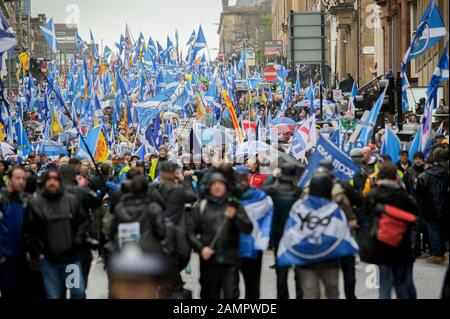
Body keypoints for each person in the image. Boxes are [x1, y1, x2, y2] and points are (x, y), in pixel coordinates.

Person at [24, 169, 88, 299]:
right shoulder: (36, 204)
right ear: (44, 182)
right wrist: (38, 253)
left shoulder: (71, 201)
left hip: (70, 260)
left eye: (55, 179)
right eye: (49, 179)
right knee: (54, 295)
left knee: (78, 291)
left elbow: (82, 223)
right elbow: (29, 232)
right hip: (49, 261)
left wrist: (76, 243)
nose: (52, 182)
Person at [187, 173, 253, 299]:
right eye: (214, 184)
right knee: (208, 294)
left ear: (226, 187)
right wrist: (201, 248)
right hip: (208, 261)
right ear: (209, 187)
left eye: (221, 184)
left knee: (230, 294)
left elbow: (248, 228)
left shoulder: (234, 206)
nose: (217, 187)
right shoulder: (202, 206)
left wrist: (235, 217)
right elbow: (190, 232)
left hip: (230, 260)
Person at [361, 163, 418, 299]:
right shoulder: (403, 196)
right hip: (401, 245)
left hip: (381, 245)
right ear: (395, 177)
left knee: (385, 285)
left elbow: (366, 218)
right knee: (401, 285)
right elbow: (415, 216)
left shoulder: (373, 194)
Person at [235, 166, 273, 300]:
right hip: (254, 245)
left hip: (232, 245)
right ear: (248, 178)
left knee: (231, 286)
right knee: (252, 284)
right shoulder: (262, 197)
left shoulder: (226, 196)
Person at [265, 164, 303, 299]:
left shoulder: (272, 191)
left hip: (278, 233)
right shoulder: (298, 191)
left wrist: (272, 176)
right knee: (299, 270)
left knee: (281, 270)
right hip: (296, 234)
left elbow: (262, 189)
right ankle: (300, 295)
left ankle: (282, 296)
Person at [415, 148, 449, 264]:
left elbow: (418, 188)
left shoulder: (427, 174)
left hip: (431, 206)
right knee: (442, 229)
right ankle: (441, 253)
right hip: (445, 206)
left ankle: (437, 254)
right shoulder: (446, 173)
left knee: (433, 229)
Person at [0, 166, 29, 299]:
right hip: (5, 258)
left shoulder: (25, 199)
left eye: (23, 179)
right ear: (9, 179)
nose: (21, 182)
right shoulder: (2, 199)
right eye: (18, 178)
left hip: (23, 256)